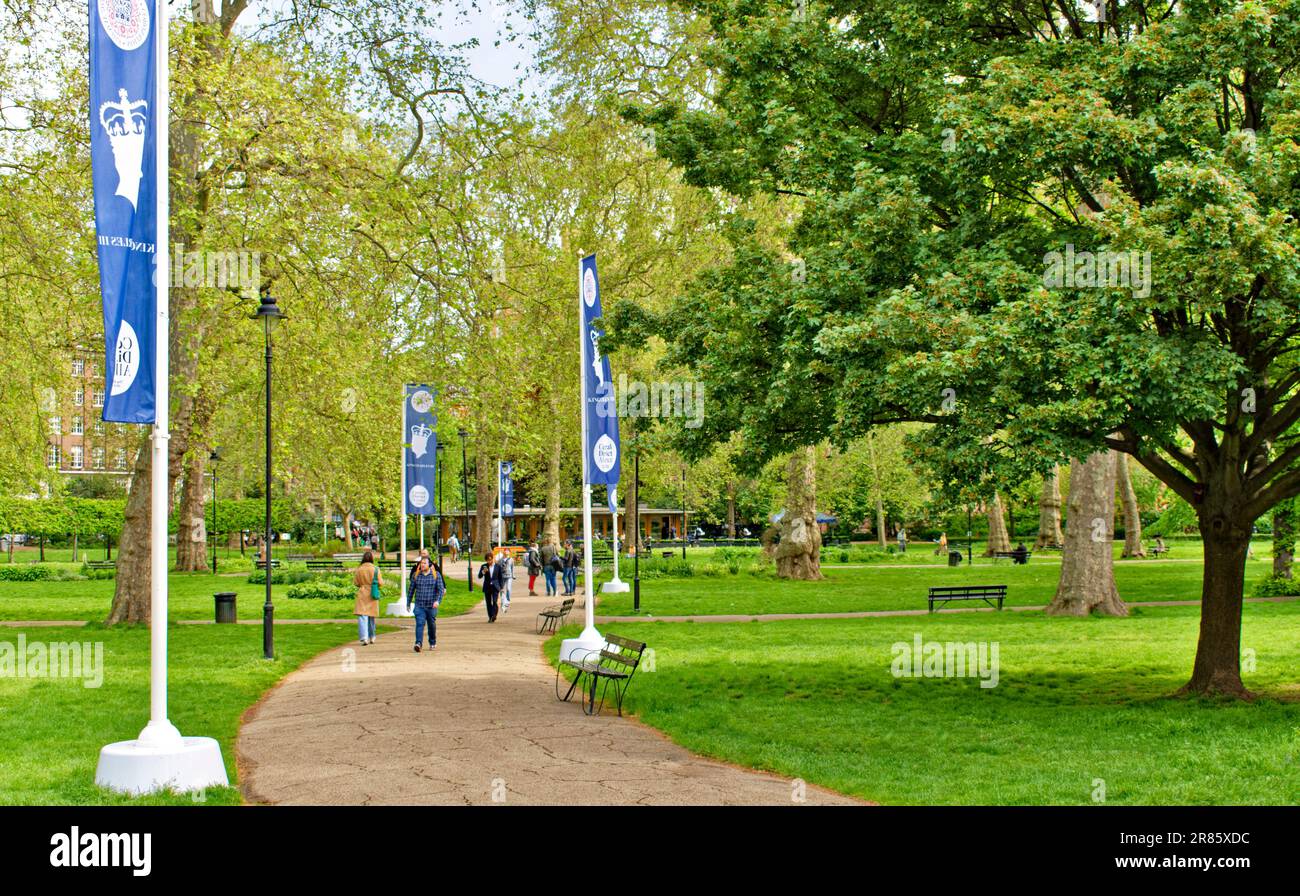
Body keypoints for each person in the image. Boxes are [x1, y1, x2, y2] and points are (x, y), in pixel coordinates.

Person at [406, 556, 443, 652]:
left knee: (431, 625)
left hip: (431, 606)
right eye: (421, 563)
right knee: (420, 623)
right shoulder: (416, 575)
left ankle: (432, 642)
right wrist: (408, 603)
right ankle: (418, 643)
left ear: (429, 565)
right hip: (419, 605)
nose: (422, 565)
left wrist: (437, 601)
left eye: (424, 563)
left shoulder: (436, 575)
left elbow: (440, 590)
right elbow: (411, 590)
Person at [352, 550, 383, 645]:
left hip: (362, 593)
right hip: (372, 593)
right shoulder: (376, 569)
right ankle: (372, 637)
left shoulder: (359, 569)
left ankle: (364, 637)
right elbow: (381, 583)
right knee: (371, 616)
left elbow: (356, 583)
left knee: (362, 616)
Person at [477, 551, 500, 622]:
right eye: (488, 560)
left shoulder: (498, 566)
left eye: (490, 559)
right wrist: (483, 572)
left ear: (493, 559)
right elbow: (479, 576)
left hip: (495, 586)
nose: (489, 561)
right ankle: (490, 617)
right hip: (487, 586)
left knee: (495, 602)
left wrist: (501, 587)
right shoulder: (484, 566)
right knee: (488, 602)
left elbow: (500, 577)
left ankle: (494, 615)